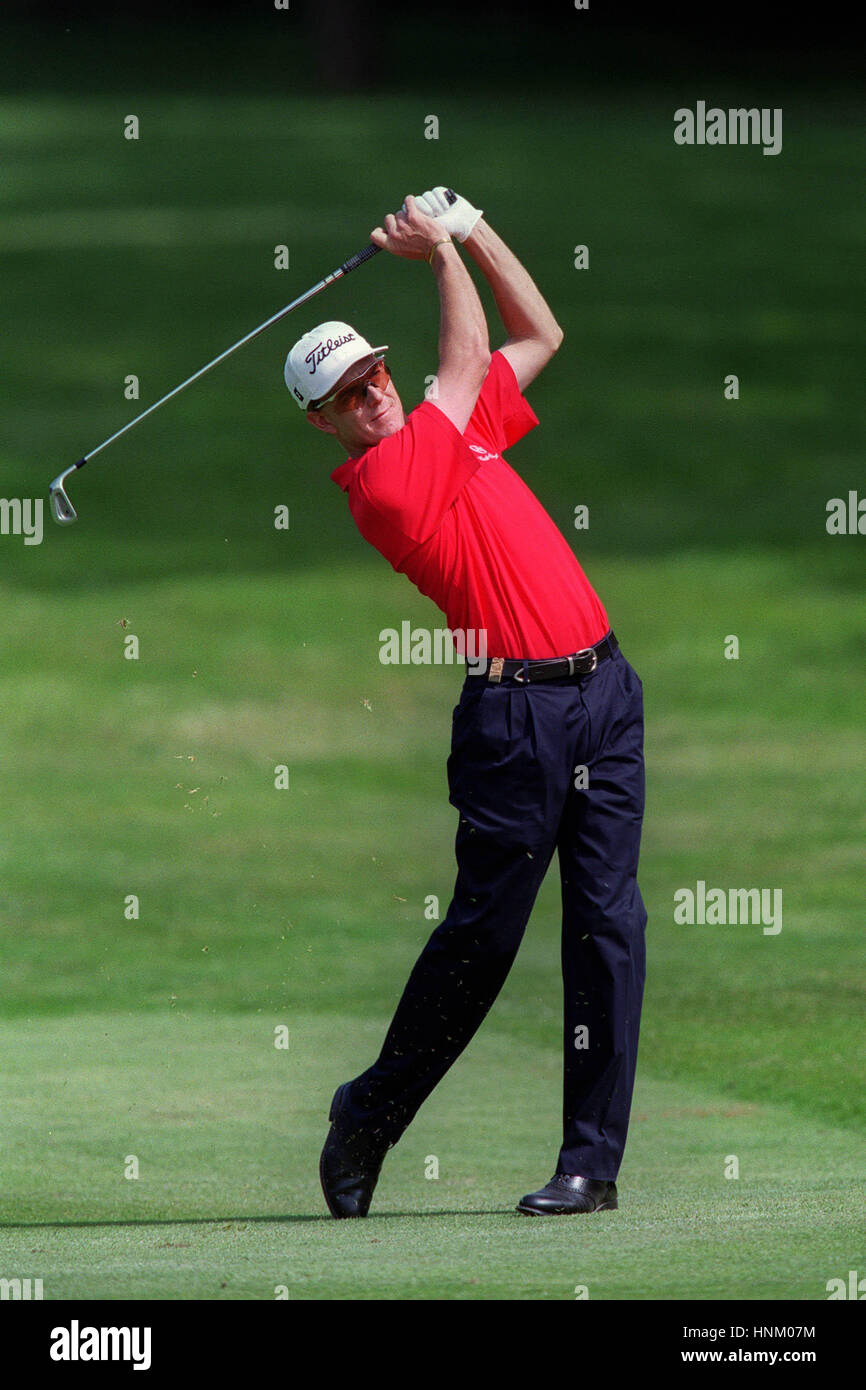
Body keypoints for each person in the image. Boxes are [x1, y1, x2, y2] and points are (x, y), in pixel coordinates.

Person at [283, 189, 647, 1218]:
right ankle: (367, 1111)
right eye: (348, 395)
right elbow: (461, 358)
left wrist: (474, 225)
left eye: (374, 374)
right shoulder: (387, 482)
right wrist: (438, 255)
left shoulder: (451, 426)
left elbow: (536, 331)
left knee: (608, 929)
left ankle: (590, 1164)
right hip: (513, 720)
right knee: (484, 939)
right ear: (321, 422)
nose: (372, 395)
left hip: (603, 694)